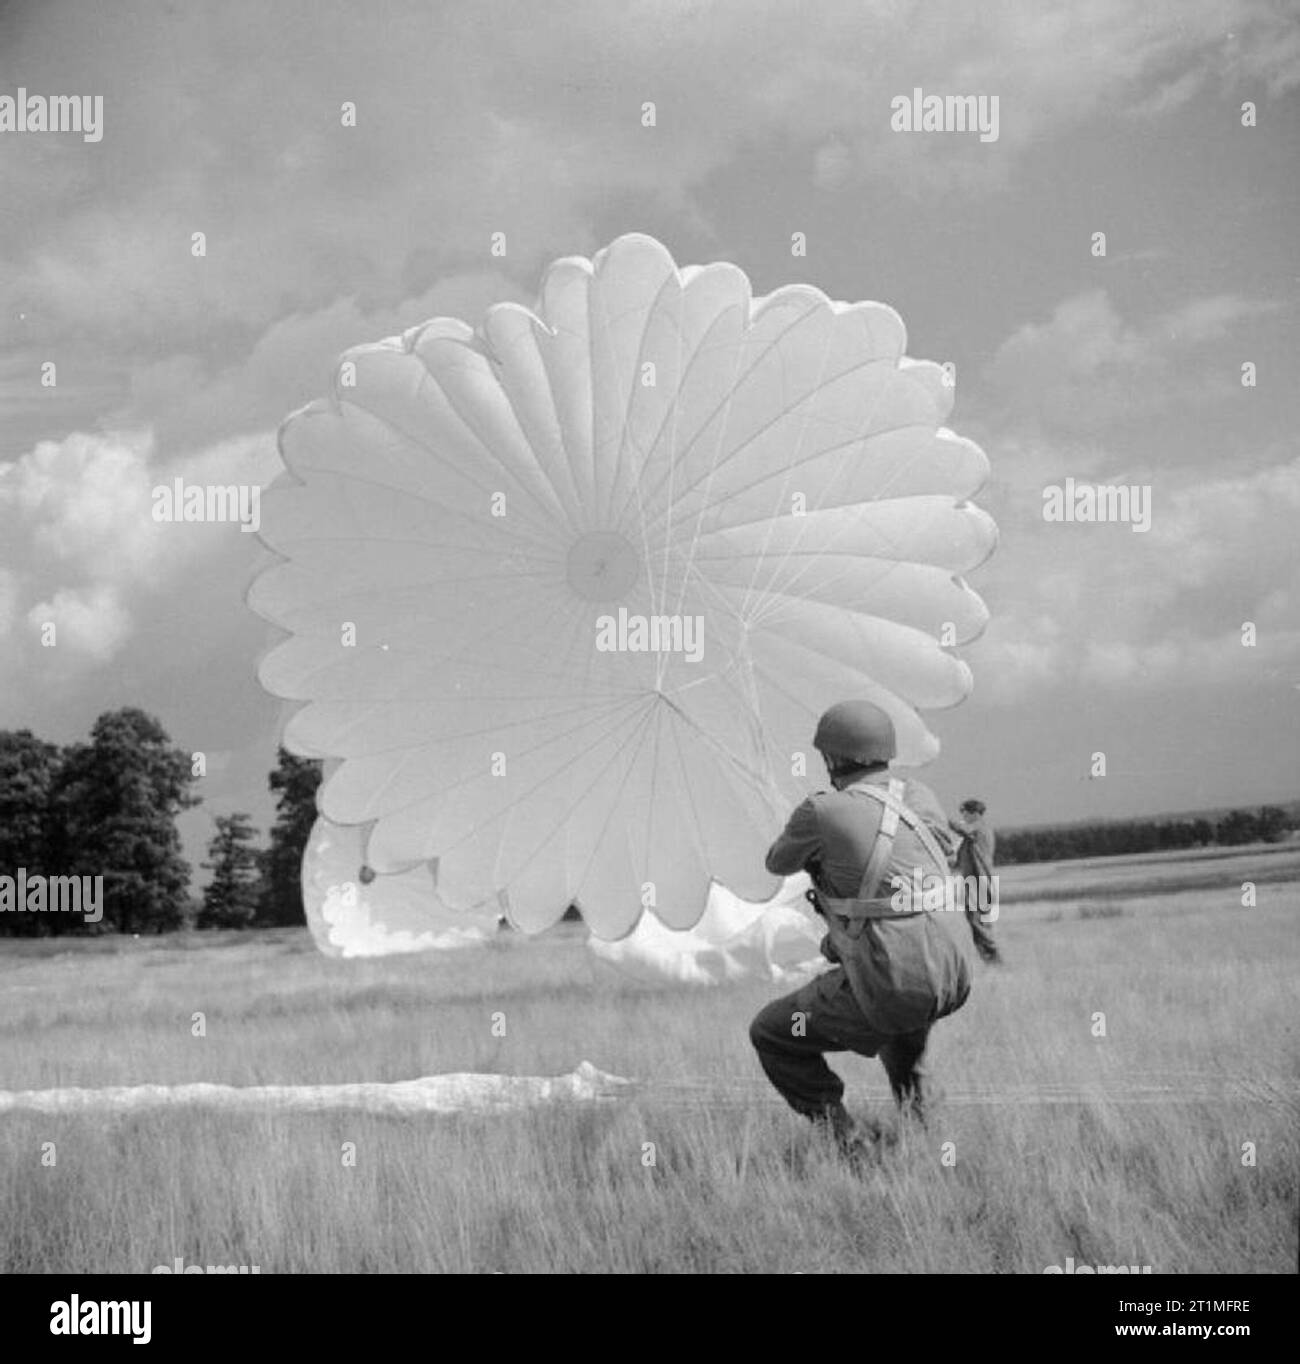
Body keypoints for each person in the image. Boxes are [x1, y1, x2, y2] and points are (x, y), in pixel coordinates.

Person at [749, 700, 972, 1155]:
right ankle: (922, 1133)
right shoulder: (919, 796)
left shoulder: (823, 810)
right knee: (901, 1040)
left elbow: (778, 861)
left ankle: (850, 1143)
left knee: (772, 1033)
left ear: (831, 758)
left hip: (885, 978)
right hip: (945, 972)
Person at [950, 799, 1001, 964]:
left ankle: (993, 957)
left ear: (974, 813)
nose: (963, 817)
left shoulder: (979, 827)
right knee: (976, 920)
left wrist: (937, 818)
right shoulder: (975, 832)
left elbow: (962, 829)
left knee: (976, 921)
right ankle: (990, 959)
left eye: (964, 812)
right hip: (975, 881)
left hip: (979, 881)